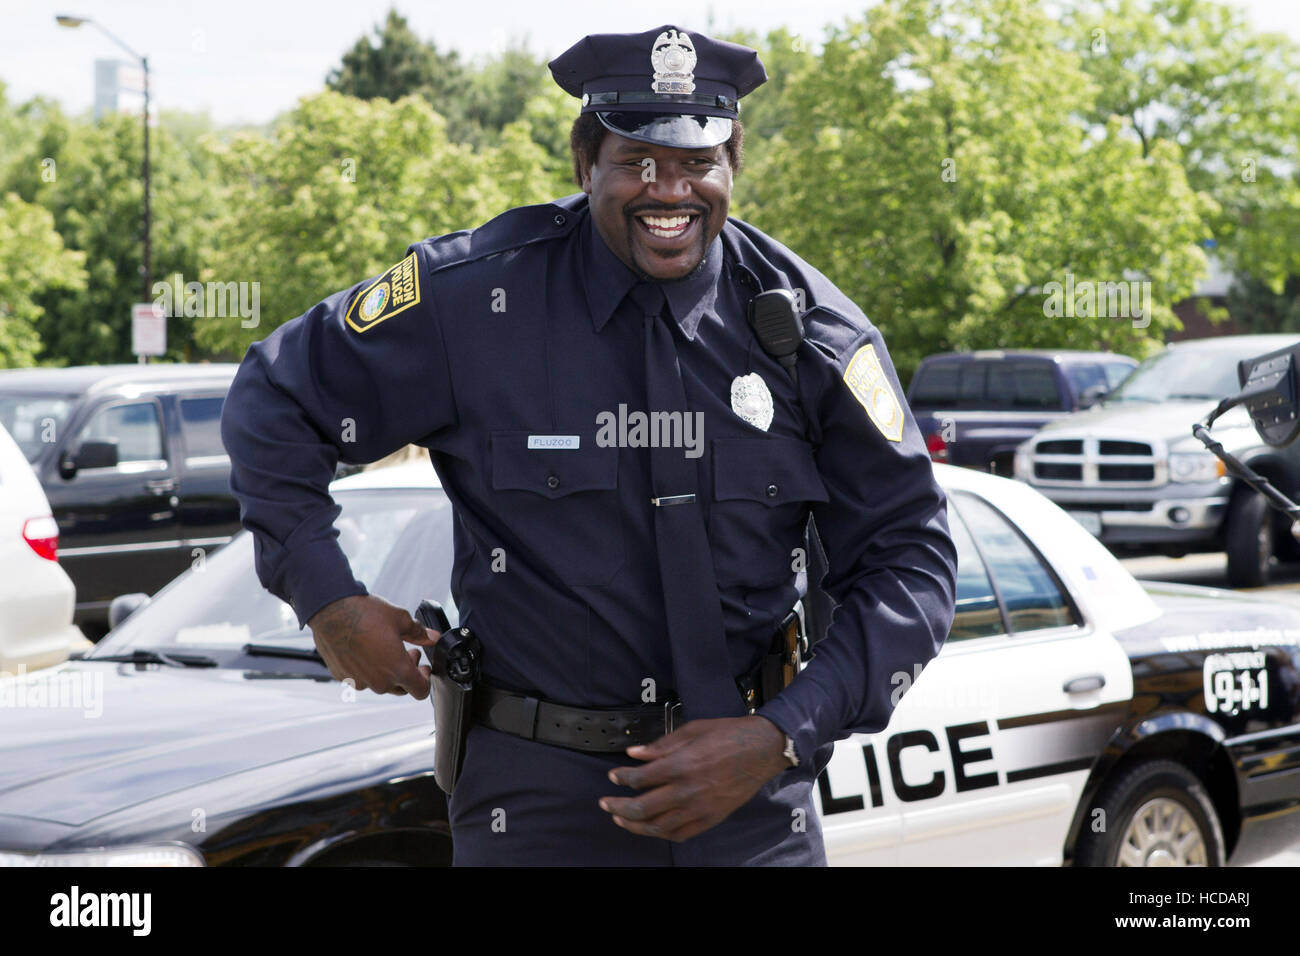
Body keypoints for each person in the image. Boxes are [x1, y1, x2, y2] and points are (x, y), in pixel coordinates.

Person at [220, 24, 957, 866]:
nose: (666, 188)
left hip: (751, 800)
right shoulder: (474, 302)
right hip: (536, 799)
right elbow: (275, 395)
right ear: (585, 166)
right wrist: (327, 599)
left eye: (695, 163)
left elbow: (911, 559)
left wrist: (781, 734)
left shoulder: (811, 333)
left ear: (733, 168)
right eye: (636, 161)